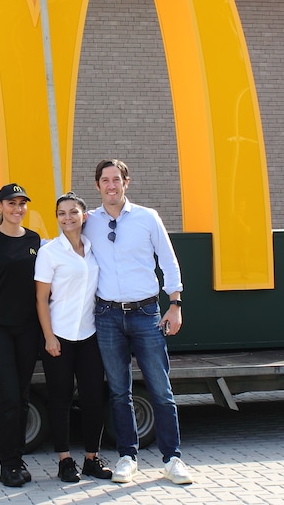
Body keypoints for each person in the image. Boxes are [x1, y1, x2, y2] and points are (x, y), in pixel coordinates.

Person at [86, 159, 194, 485]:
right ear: (98, 186)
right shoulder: (88, 220)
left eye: (116, 179)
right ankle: (127, 457)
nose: (111, 185)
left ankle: (172, 458)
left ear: (126, 183)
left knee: (161, 390)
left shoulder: (148, 218)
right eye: (105, 180)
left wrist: (175, 305)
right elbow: (63, 246)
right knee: (119, 391)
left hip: (147, 314)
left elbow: (169, 261)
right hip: (106, 316)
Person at [34, 192, 114, 483]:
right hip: (60, 337)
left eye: (72, 212)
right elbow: (41, 299)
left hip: (90, 335)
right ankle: (64, 460)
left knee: (94, 397)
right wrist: (49, 337)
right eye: (61, 213)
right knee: (60, 399)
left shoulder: (95, 249)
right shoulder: (50, 252)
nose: (67, 217)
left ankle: (92, 459)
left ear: (84, 216)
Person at [0, 183, 42, 488]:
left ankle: (17, 458)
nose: (17, 208)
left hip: (28, 329)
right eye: (11, 203)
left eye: (21, 203)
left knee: (23, 396)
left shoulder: (34, 239)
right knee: (9, 396)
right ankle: (7, 465)